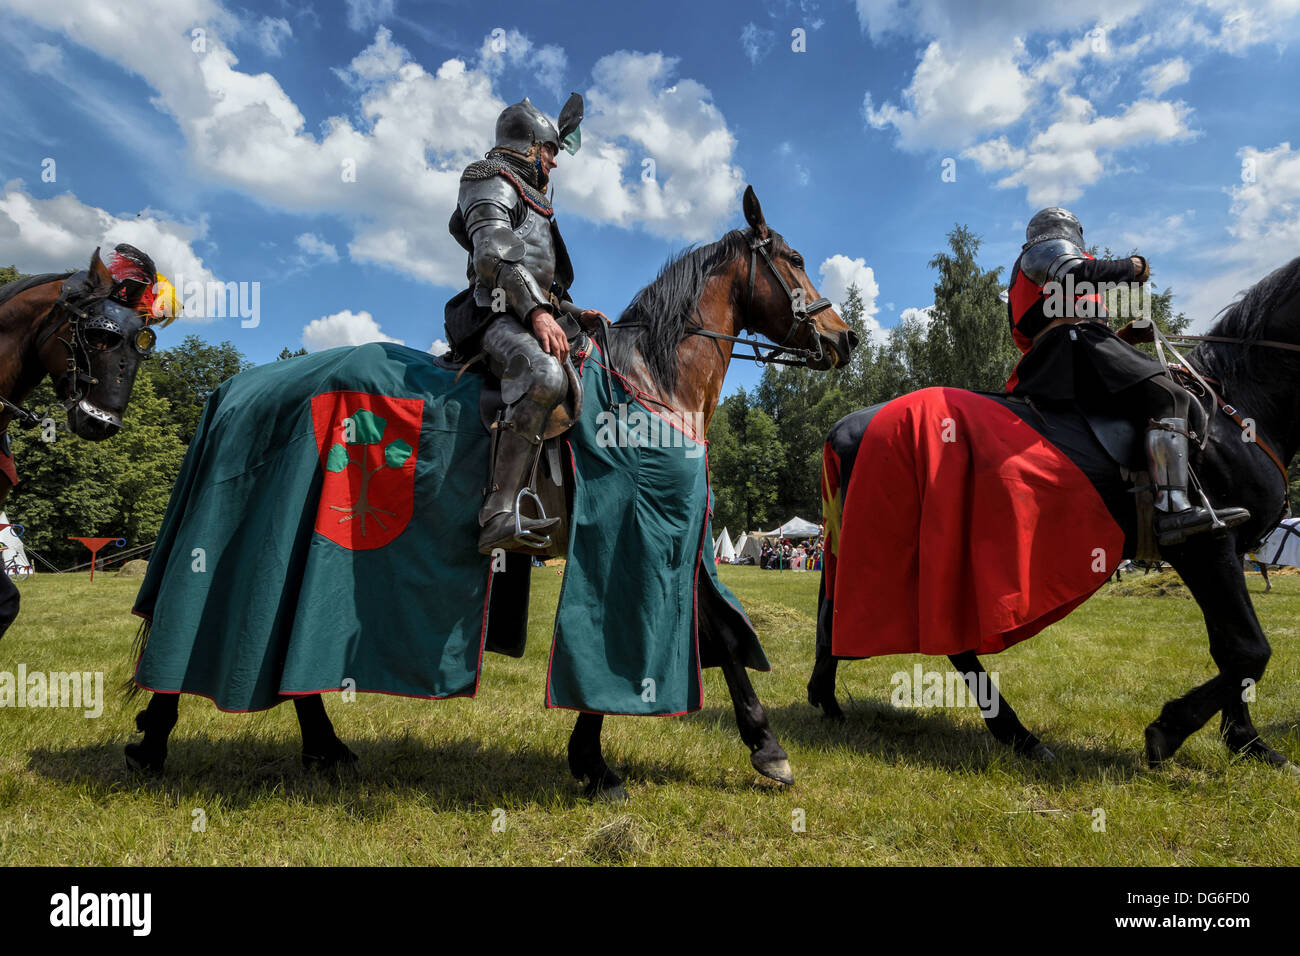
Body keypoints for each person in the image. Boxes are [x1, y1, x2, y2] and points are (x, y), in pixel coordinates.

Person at [1005, 207, 1249, 546]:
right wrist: (1134, 266)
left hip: (1074, 349)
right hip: (1070, 348)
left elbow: (1073, 320)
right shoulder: (1042, 250)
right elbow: (1078, 276)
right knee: (1172, 398)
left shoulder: (1038, 274)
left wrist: (1126, 337)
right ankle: (1172, 510)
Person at [443, 93, 604, 553]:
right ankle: (497, 511)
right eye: (550, 150)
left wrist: (570, 313)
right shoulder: (487, 177)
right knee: (543, 373)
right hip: (492, 311)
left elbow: (541, 281)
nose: (554, 161)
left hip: (529, 309)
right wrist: (536, 312)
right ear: (530, 144)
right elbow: (493, 254)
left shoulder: (535, 197)